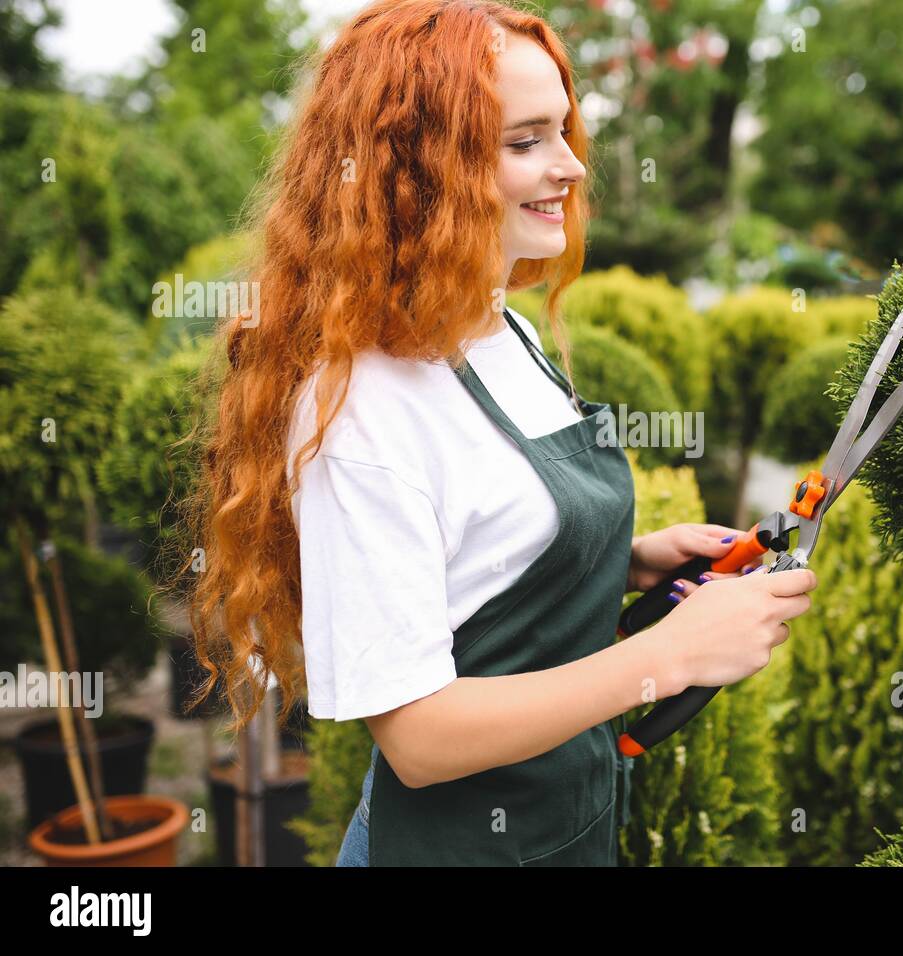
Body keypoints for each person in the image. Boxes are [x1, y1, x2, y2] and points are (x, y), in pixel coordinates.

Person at [181, 0, 817, 867]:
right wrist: (669, 656)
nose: (570, 165)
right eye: (525, 142)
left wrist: (622, 560)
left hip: (568, 826)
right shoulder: (361, 412)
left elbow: (479, 555)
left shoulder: (499, 327)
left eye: (562, 130)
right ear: (419, 171)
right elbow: (418, 737)